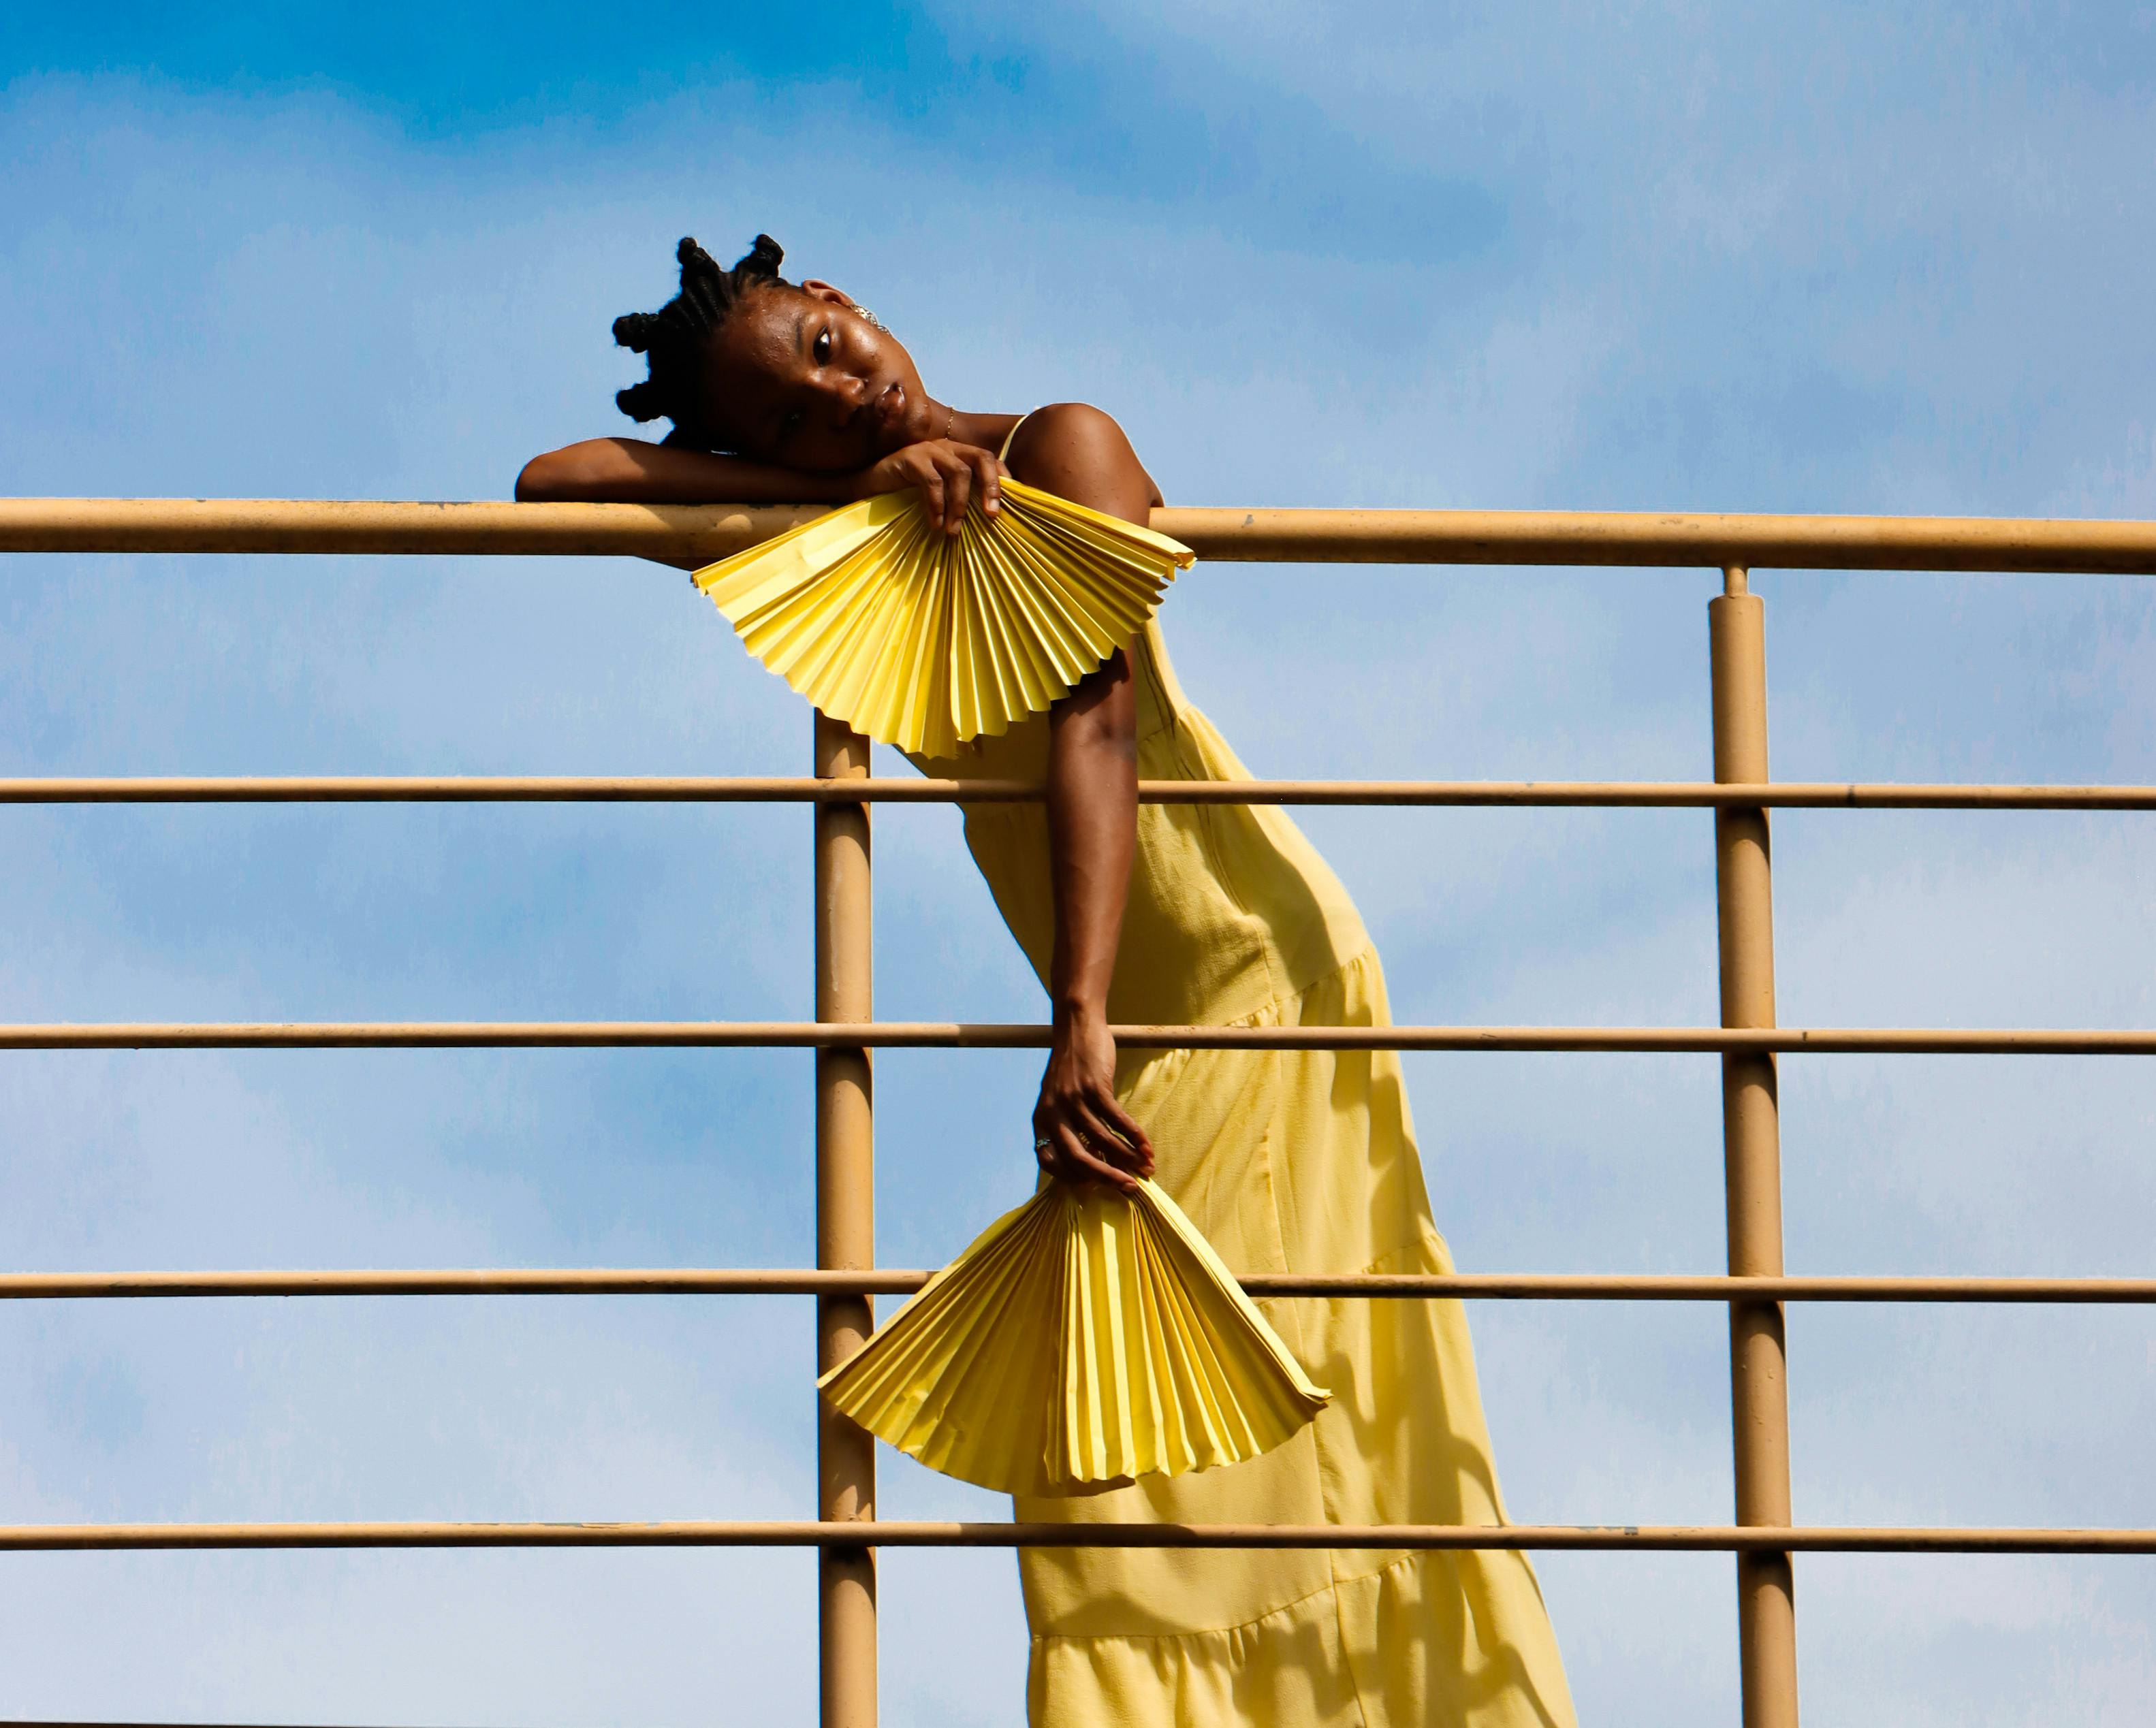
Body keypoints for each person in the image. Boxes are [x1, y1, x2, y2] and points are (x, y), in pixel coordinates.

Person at [519, 236, 1576, 1727]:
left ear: (850, 296)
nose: (843, 395)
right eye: (792, 419)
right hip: (1125, 1014)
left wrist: (1076, 1019)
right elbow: (559, 482)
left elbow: (1099, 724)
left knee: (1275, 1429)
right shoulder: (847, 528)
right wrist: (845, 492)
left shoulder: (1061, 447)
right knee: (1122, 1468)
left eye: (828, 347)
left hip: (1244, 977)